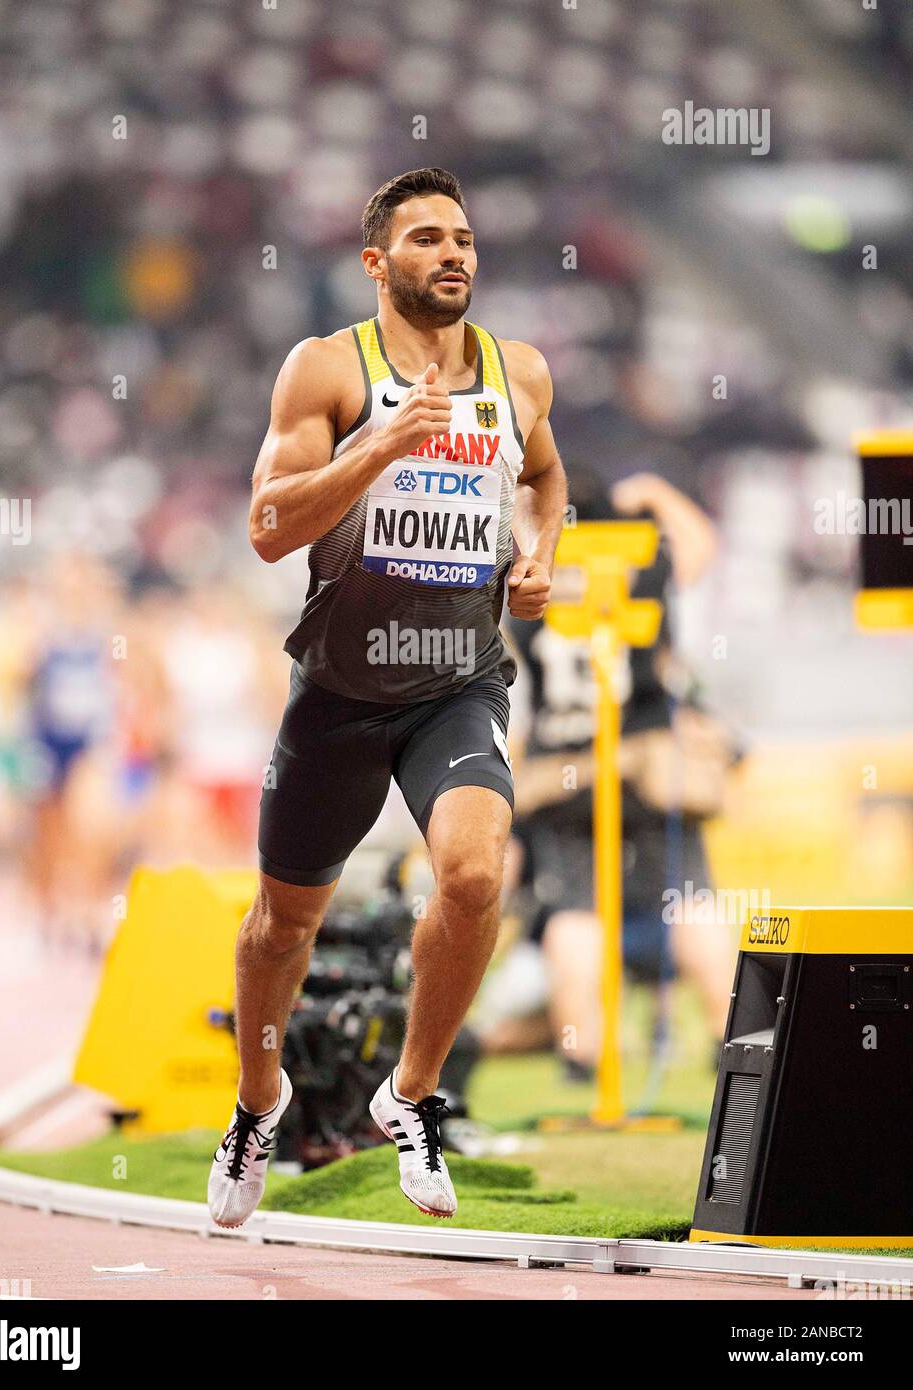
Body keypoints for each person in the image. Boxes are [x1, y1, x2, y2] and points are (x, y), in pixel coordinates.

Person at [208, 167, 567, 1226]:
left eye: (463, 238)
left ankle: (408, 1092)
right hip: (339, 693)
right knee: (281, 926)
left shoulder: (520, 371)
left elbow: (547, 479)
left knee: (471, 874)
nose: (452, 253)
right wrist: (379, 445)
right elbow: (270, 526)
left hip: (456, 687)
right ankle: (256, 1106)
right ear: (377, 263)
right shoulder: (327, 370)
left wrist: (539, 556)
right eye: (424, 240)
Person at [501, 472, 736, 1080]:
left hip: (565, 766)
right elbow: (703, 544)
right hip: (652, 758)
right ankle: (728, 1034)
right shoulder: (645, 571)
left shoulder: (529, 582)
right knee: (690, 894)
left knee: (575, 907)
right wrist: (657, 490)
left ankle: (583, 1050)